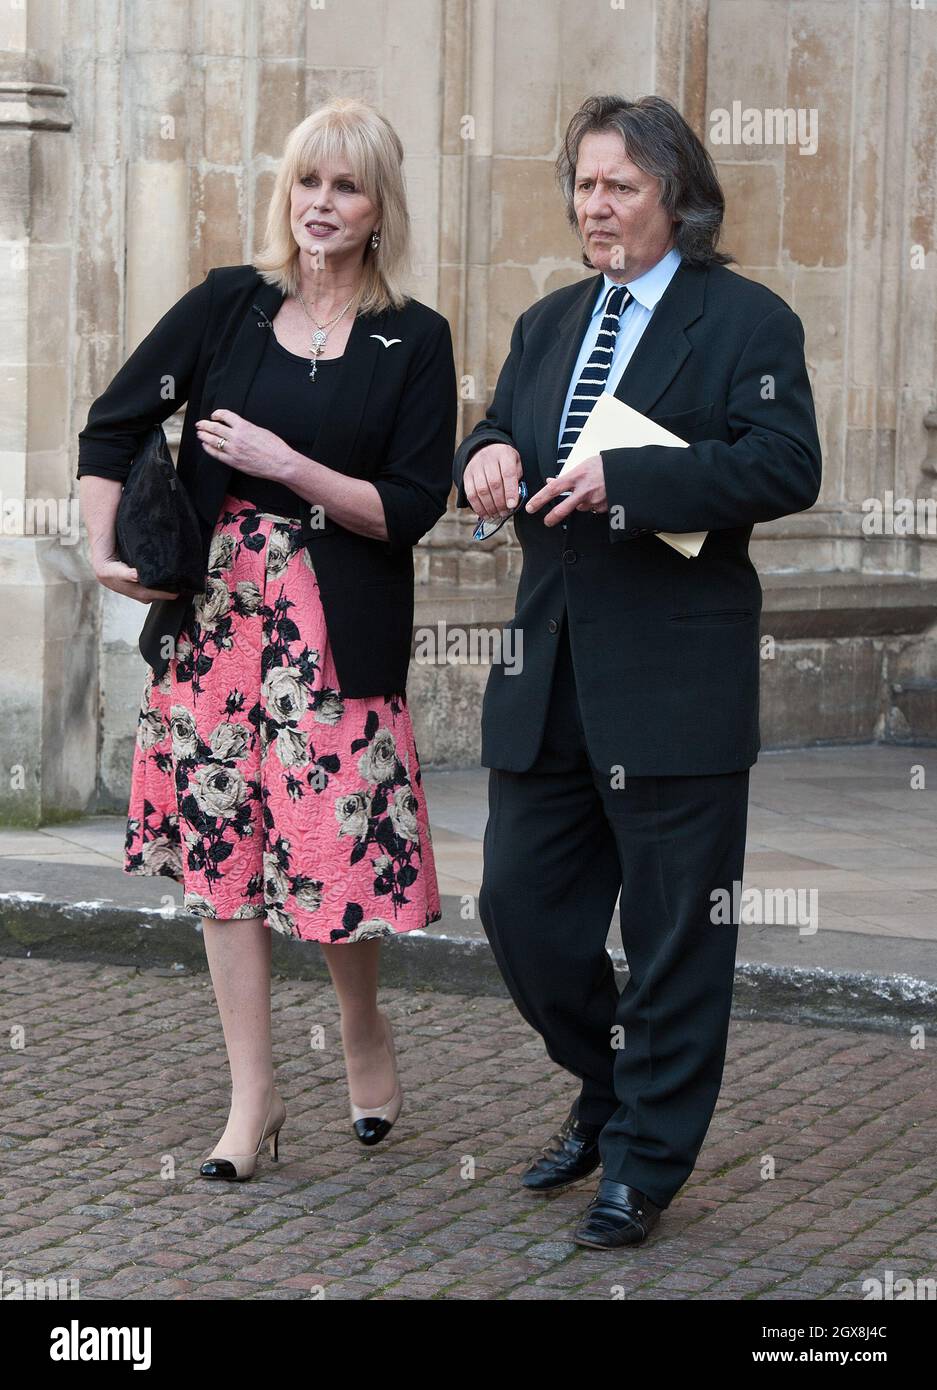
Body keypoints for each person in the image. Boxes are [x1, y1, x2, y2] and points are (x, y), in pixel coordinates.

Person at [453, 94, 822, 1248]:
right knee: (522, 914)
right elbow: (490, 430)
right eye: (583, 184)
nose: (593, 205)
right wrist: (488, 453)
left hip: (674, 684)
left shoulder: (747, 320)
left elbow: (784, 464)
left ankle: (644, 1165)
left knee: (674, 938)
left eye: (618, 185)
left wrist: (634, 482)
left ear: (678, 198)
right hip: (548, 675)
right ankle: (611, 1083)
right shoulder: (548, 320)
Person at [77, 97, 457, 1180]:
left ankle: (362, 1026)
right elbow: (112, 422)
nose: (320, 205)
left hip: (335, 628)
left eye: (344, 186)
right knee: (222, 861)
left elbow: (409, 505)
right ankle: (254, 1098)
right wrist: (108, 552)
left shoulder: (412, 337)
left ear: (379, 206)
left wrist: (287, 464)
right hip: (212, 625)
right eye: (305, 182)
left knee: (332, 862)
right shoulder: (227, 307)